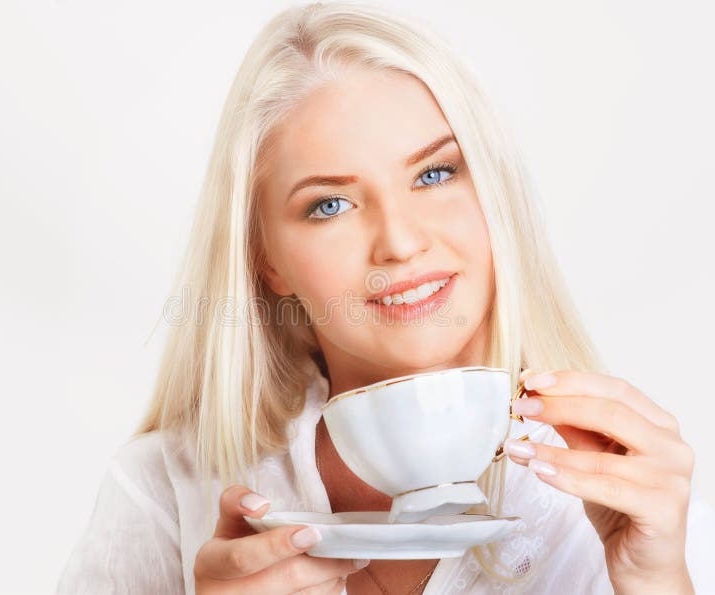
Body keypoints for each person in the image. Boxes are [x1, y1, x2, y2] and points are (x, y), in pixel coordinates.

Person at [56, 2, 715, 593]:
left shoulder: (618, 494)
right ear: (267, 260)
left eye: (435, 173)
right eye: (330, 205)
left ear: (494, 192)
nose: (399, 242)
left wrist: (656, 579)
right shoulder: (166, 489)